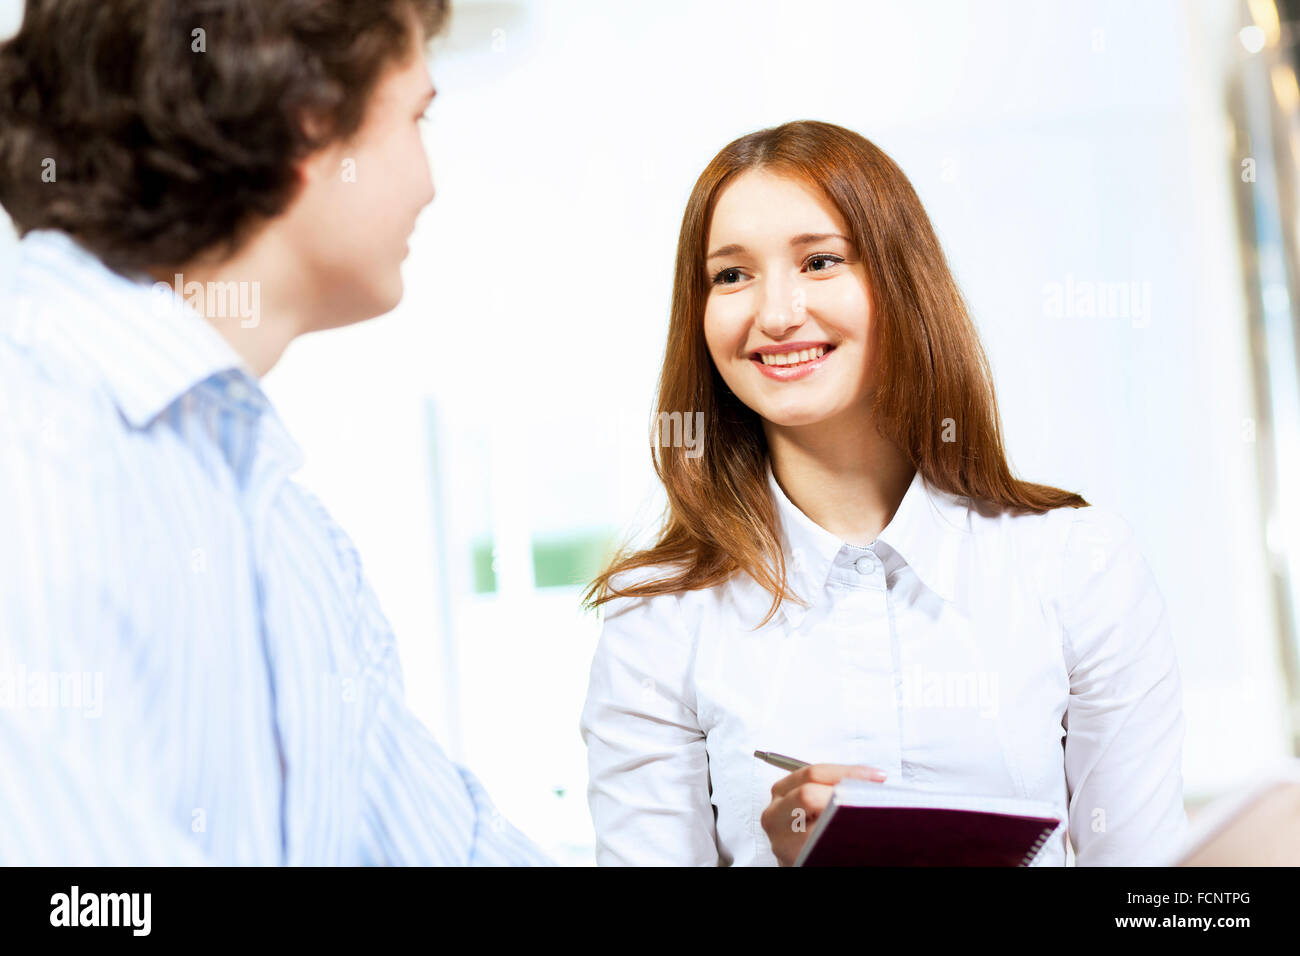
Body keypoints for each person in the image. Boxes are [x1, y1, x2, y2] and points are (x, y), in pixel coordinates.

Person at [0, 0, 549, 865]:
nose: (430, 180)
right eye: (418, 115)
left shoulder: (280, 530)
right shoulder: (30, 442)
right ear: (309, 114)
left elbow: (455, 849)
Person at [579, 120, 1188, 866]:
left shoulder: (1079, 565)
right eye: (730, 276)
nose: (775, 314)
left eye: (821, 261)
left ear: (901, 282)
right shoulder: (657, 622)